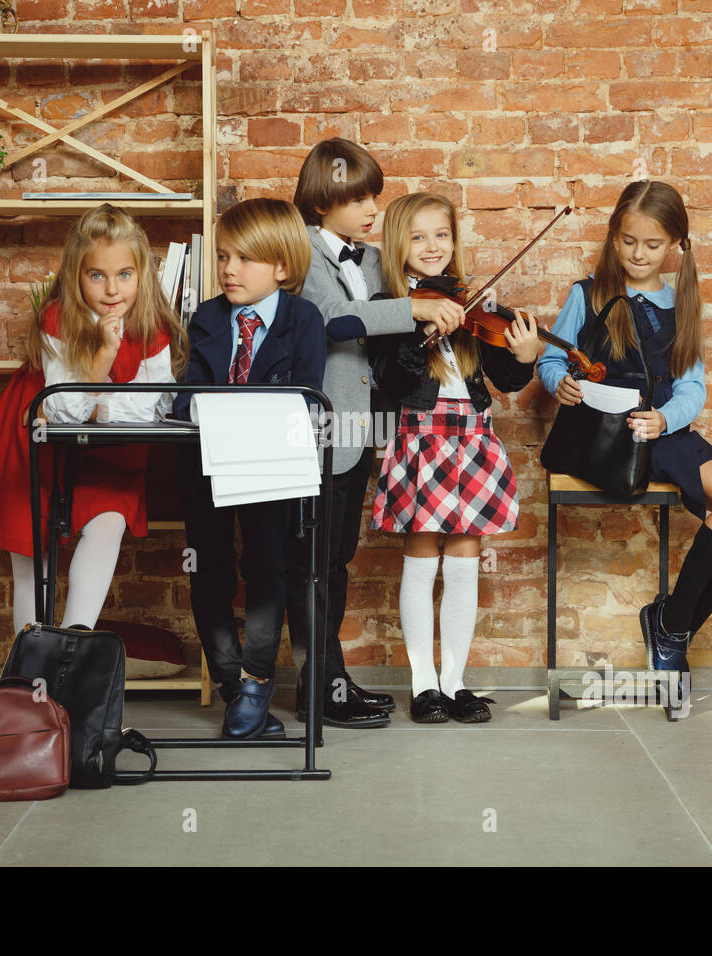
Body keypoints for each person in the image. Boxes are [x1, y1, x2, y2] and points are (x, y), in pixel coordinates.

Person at [537, 180, 712, 720]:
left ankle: (670, 623)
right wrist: (561, 383)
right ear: (613, 237)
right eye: (627, 241)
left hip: (663, 433)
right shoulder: (588, 294)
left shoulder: (681, 301)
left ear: (674, 245)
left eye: (651, 245)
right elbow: (551, 361)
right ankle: (671, 629)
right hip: (611, 440)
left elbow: (693, 387)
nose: (637, 254)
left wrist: (666, 418)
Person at [290, 138, 467, 728]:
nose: (372, 209)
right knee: (311, 559)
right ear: (321, 202)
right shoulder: (303, 254)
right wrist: (412, 312)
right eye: (358, 197)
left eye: (375, 196)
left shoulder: (370, 260)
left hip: (363, 428)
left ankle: (328, 677)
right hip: (317, 427)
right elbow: (329, 319)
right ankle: (320, 682)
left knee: (337, 556)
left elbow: (395, 312)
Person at [0, 203, 185, 636]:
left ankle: (72, 649)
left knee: (109, 523)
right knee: (32, 557)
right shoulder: (58, 319)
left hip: (108, 455)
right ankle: (30, 672)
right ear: (76, 277)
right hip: (35, 448)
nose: (112, 289)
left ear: (142, 275)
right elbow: (63, 411)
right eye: (96, 275)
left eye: (124, 274)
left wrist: (102, 404)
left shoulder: (152, 326)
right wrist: (103, 359)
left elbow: (154, 407)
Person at [369, 192, 541, 723]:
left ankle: (456, 681)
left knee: (464, 562)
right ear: (398, 245)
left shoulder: (472, 307)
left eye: (441, 235)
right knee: (422, 559)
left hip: (472, 439)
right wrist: (421, 327)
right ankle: (424, 686)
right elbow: (391, 378)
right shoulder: (390, 309)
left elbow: (505, 378)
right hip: (421, 438)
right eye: (418, 237)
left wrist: (525, 358)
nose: (431, 246)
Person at [173, 198, 326, 740]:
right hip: (208, 464)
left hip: (271, 468)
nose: (228, 269)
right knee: (209, 570)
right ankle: (232, 688)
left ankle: (258, 679)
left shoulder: (304, 319)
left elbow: (309, 397)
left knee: (267, 571)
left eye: (244, 259)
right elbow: (187, 394)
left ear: (282, 266)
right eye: (222, 257)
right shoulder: (207, 316)